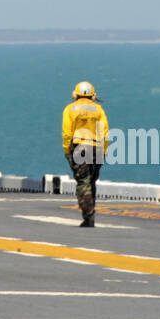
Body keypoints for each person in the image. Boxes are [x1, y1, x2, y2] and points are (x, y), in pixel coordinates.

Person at [62, 80, 109, 227]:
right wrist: (104, 151)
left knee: (83, 182)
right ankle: (90, 214)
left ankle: (89, 216)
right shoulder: (98, 110)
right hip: (96, 148)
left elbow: (66, 133)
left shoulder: (70, 109)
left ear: (75, 94)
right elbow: (105, 132)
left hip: (79, 148)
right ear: (93, 95)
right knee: (91, 182)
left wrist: (67, 150)